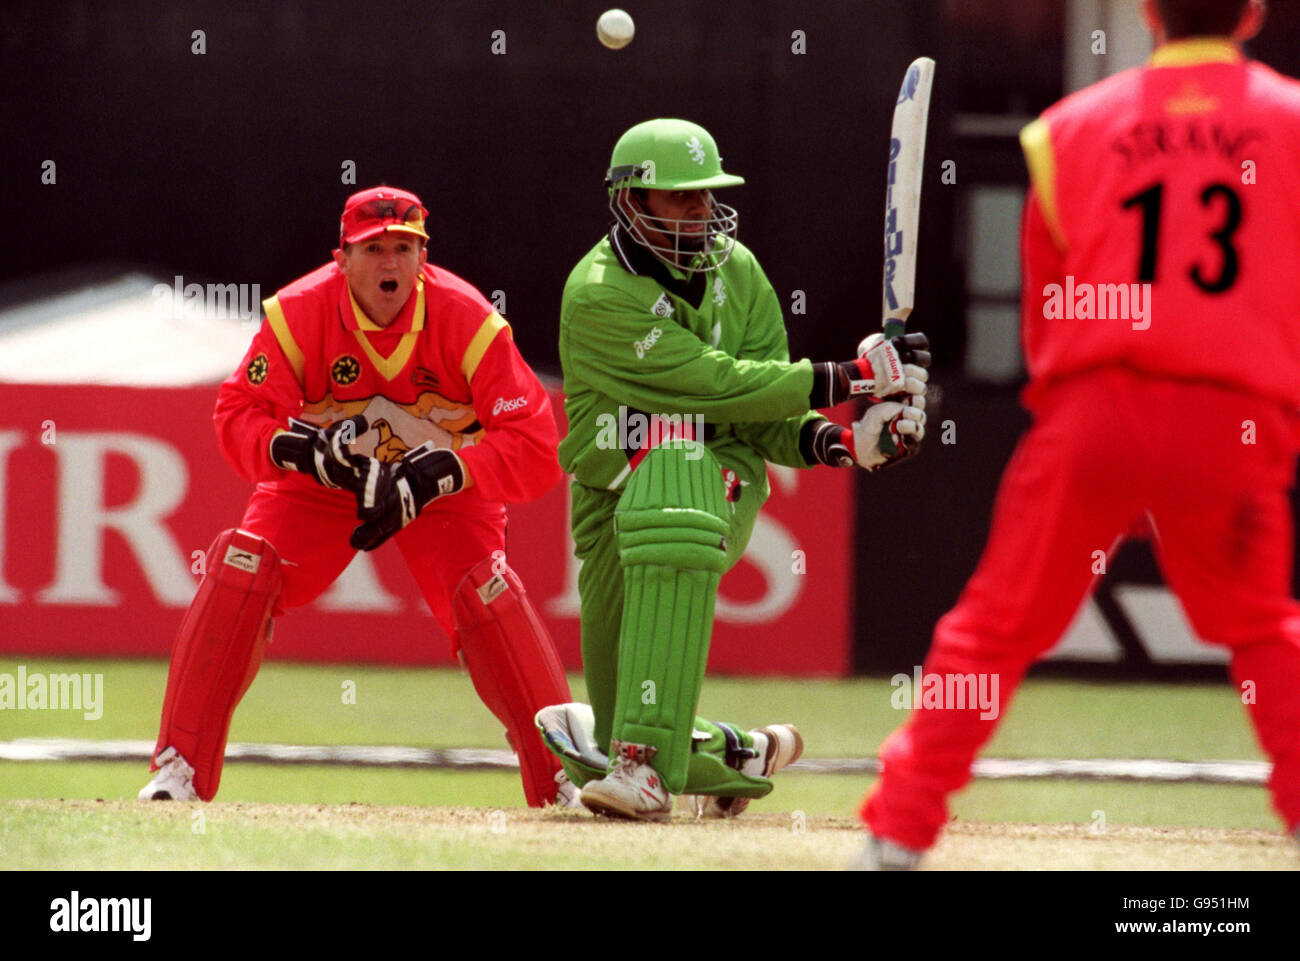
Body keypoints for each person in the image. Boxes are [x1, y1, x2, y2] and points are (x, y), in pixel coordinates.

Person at [858, 0, 1300, 868]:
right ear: (1252, 12)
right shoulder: (1291, 121)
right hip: (1232, 415)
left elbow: (1047, 307)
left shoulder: (1065, 131)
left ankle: (892, 840)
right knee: (1262, 630)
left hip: (1096, 406)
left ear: (1147, 13)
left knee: (992, 628)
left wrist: (1095, 450)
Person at [536, 118, 931, 820]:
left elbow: (762, 414)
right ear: (631, 202)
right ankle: (736, 750)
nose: (700, 211)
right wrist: (853, 378)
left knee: (678, 457)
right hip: (605, 496)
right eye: (679, 197)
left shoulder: (739, 274)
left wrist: (847, 444)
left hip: (711, 479)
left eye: (705, 194)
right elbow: (715, 384)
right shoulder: (599, 292)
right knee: (612, 718)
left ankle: (645, 771)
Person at [138, 186, 576, 808]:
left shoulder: (471, 322)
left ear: (424, 259)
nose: (389, 264)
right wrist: (297, 450)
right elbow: (238, 413)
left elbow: (536, 452)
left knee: (487, 595)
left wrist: (442, 472)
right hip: (323, 487)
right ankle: (177, 769)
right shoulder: (298, 313)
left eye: (404, 248)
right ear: (341, 259)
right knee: (242, 564)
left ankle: (560, 777)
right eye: (373, 249)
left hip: (442, 492)